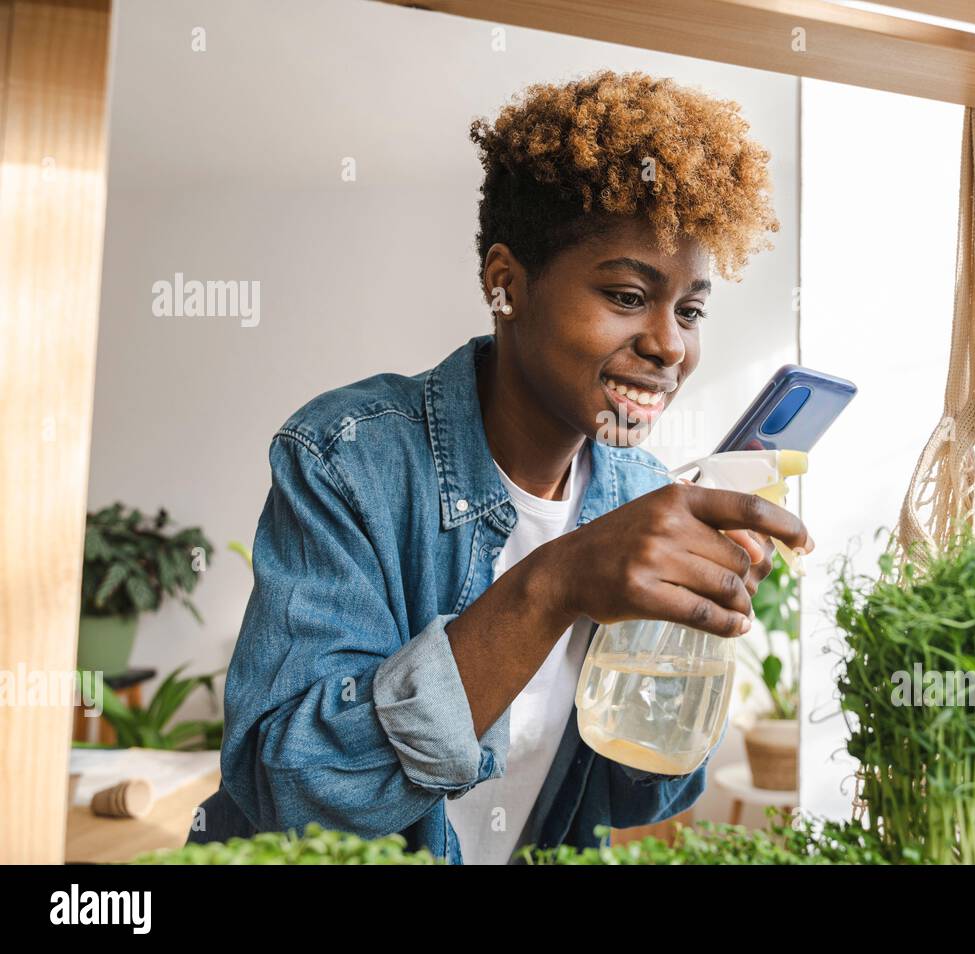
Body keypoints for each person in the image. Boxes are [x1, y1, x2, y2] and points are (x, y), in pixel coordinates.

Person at [188, 69, 812, 864]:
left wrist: (687, 640)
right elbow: (293, 793)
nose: (669, 344)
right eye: (627, 295)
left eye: (690, 309)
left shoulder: (648, 495)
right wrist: (555, 583)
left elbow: (633, 793)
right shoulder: (349, 458)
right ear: (506, 284)